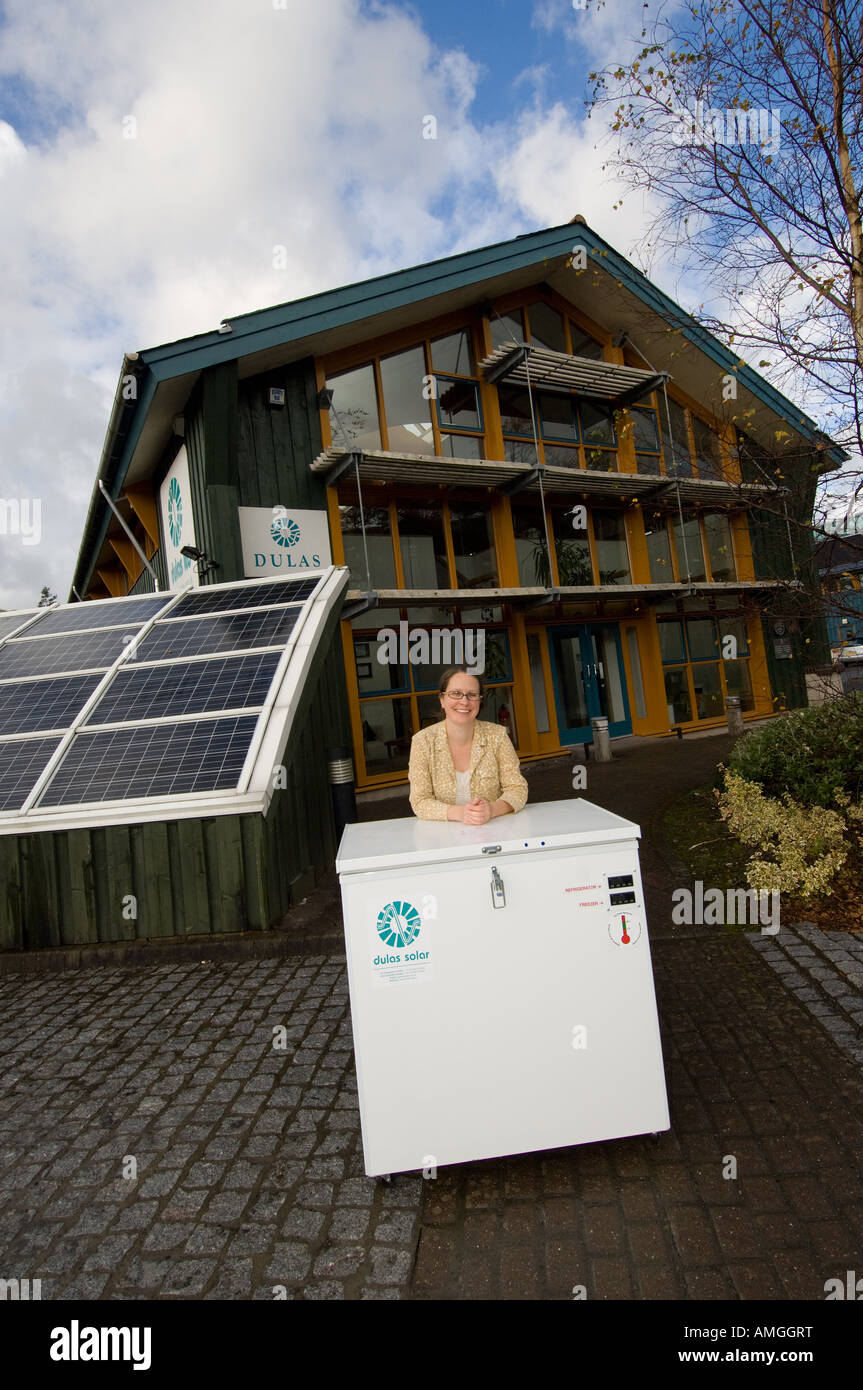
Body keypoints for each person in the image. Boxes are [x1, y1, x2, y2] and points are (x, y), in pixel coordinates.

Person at [408, 666, 528, 825]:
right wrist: (460, 813)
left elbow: (518, 789)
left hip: (493, 831)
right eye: (456, 694)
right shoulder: (422, 742)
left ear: (479, 700)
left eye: (472, 695)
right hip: (442, 836)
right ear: (442, 699)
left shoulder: (497, 736)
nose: (464, 702)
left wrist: (492, 809)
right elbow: (420, 801)